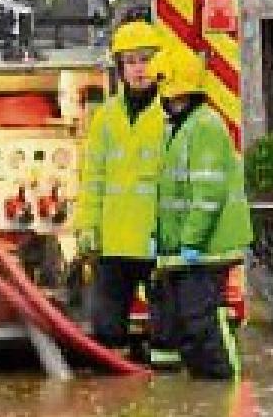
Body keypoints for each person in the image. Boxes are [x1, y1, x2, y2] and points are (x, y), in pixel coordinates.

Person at [146, 45, 253, 378]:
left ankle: (226, 389)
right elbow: (170, 194)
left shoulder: (204, 126)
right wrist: (159, 238)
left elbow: (207, 194)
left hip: (204, 251)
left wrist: (191, 241)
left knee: (203, 325)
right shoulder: (178, 128)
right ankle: (203, 395)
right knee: (188, 330)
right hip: (183, 253)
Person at [76, 20, 165, 358]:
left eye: (145, 59)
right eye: (131, 61)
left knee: (166, 335)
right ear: (121, 68)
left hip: (158, 242)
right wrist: (87, 227)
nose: (139, 69)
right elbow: (93, 178)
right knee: (108, 332)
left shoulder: (171, 113)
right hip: (113, 245)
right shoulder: (106, 117)